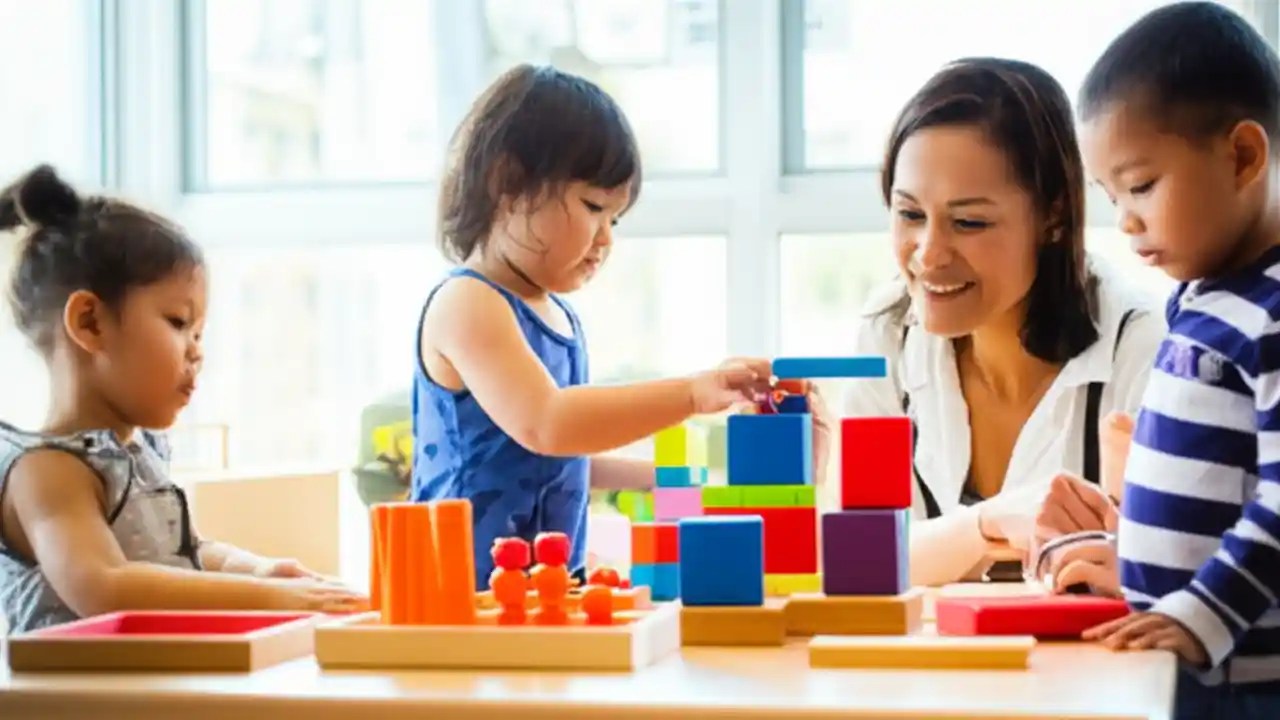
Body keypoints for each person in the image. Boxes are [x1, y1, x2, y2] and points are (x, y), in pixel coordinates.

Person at [413, 64, 808, 587]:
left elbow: (554, 458)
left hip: (542, 591)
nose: (606, 239)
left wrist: (672, 482)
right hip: (459, 593)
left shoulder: (558, 317)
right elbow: (548, 424)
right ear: (507, 183)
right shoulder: (469, 302)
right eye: (593, 207)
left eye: (615, 219)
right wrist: (691, 393)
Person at [0, 165, 367, 634]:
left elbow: (183, 555)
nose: (197, 351)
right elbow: (105, 585)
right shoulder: (47, 471)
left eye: (199, 332)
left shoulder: (138, 453)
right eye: (177, 322)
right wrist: (270, 598)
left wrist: (254, 569)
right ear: (90, 322)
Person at [842, 57, 1165, 586]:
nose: (928, 255)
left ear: (1054, 217)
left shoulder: (1140, 345)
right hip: (927, 666)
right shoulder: (888, 334)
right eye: (910, 214)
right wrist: (987, 523)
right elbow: (861, 559)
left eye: (969, 222)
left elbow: (1166, 570)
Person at [1068, 3, 1280, 716]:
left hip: (1245, 680)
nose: (1125, 221)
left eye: (1142, 186)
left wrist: (1203, 613)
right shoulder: (1202, 300)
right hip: (1181, 663)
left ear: (1244, 157)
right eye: (1111, 197)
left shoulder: (1272, 312)